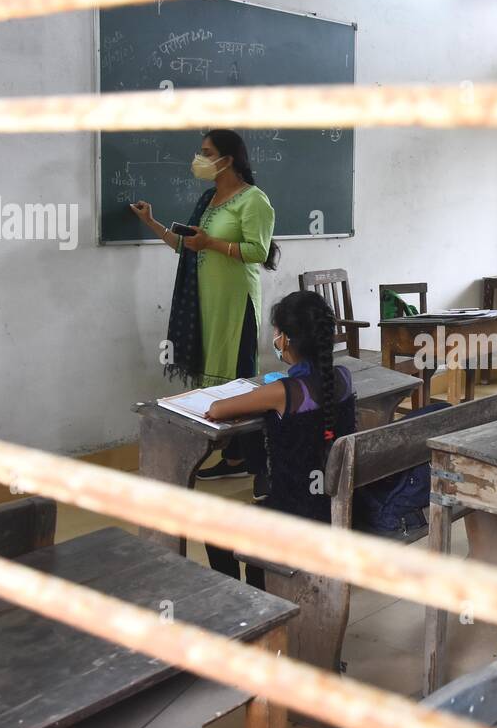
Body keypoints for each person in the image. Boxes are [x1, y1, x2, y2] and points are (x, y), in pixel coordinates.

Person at [130, 128, 275, 490]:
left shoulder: (253, 200)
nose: (200, 158)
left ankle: (259, 465)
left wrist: (211, 242)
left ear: (229, 158)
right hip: (203, 301)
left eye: (207, 152)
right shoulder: (209, 198)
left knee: (239, 380)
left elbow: (257, 251)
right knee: (213, 378)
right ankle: (233, 456)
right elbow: (186, 246)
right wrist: (152, 222)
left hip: (234, 300)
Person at [202, 290, 358, 585]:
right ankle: (259, 590)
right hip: (336, 507)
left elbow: (217, 408)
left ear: (285, 339)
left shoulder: (282, 392)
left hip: (294, 513)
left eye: (276, 333)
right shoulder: (343, 377)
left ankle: (245, 603)